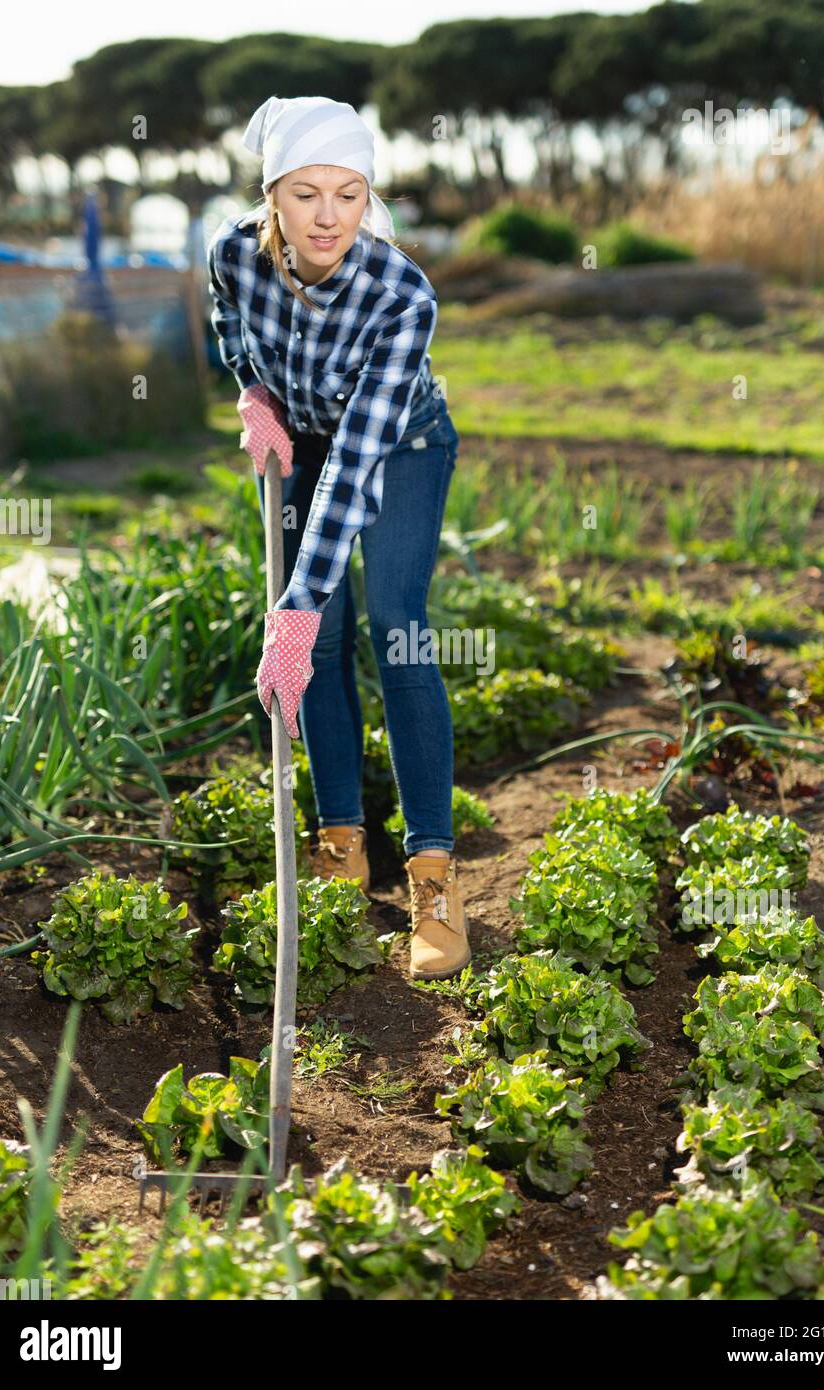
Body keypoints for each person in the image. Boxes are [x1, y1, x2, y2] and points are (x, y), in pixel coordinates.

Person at [207, 94, 471, 981]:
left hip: (397, 442)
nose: (329, 218)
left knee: (394, 627)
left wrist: (295, 606)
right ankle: (341, 841)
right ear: (272, 196)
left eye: (349, 195)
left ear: (368, 196)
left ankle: (432, 872)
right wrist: (253, 393)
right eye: (307, 194)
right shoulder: (233, 254)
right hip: (307, 435)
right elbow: (229, 325)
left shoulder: (401, 293)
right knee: (317, 640)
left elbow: (358, 461)